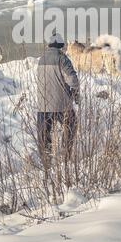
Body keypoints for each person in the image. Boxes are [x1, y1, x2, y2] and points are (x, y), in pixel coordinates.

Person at [37, 33, 79, 169]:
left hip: (43, 106)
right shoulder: (62, 58)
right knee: (71, 126)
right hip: (62, 104)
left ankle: (46, 163)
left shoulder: (41, 59)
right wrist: (75, 93)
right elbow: (72, 79)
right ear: (60, 46)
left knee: (44, 135)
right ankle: (65, 157)